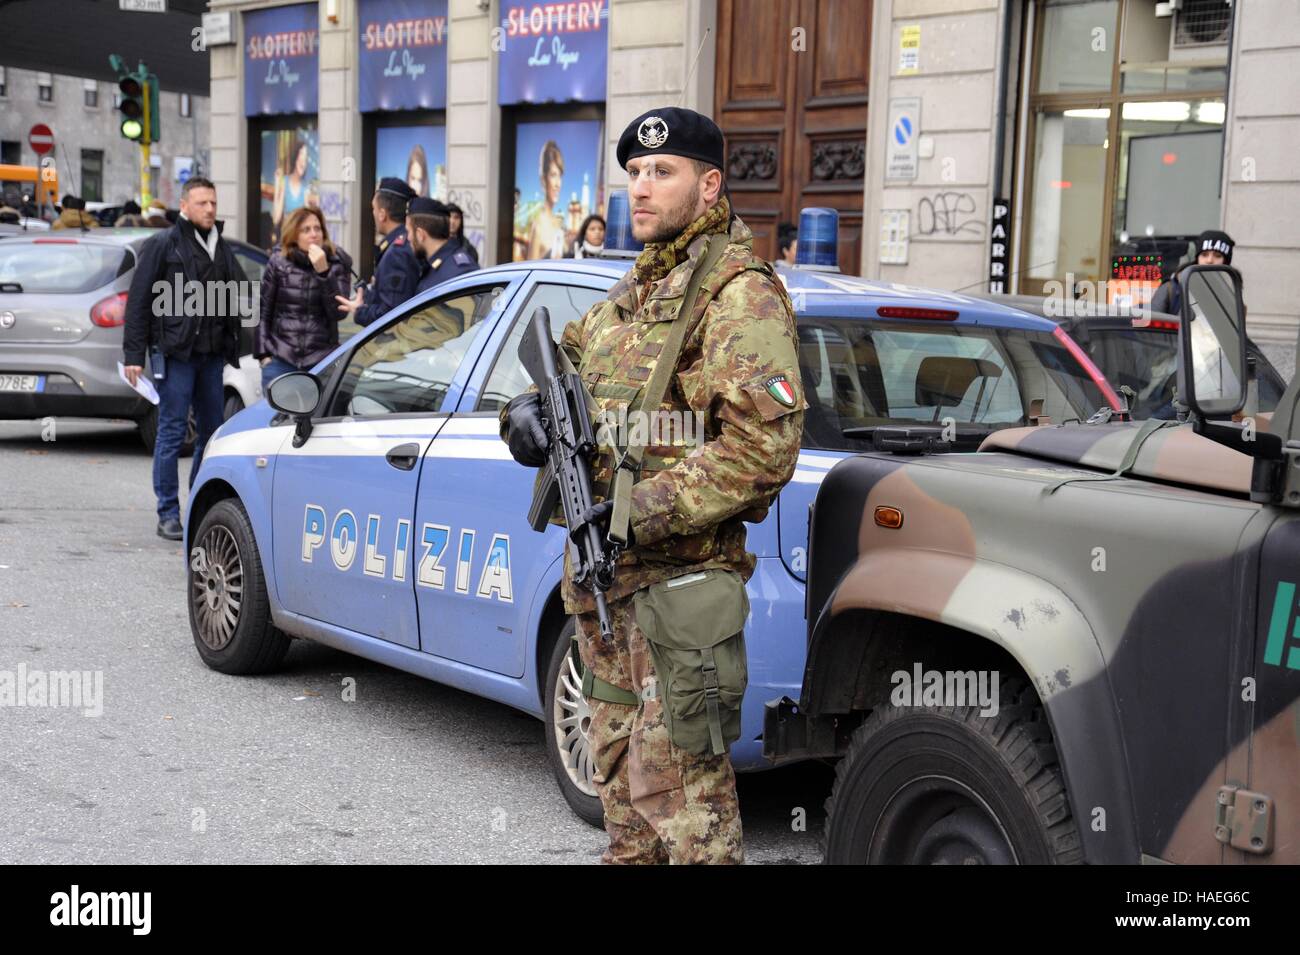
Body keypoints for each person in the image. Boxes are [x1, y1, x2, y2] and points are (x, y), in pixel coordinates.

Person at [500, 107, 806, 864]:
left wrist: (638, 513)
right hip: (604, 598)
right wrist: (523, 414)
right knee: (622, 805)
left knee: (686, 814)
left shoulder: (739, 294)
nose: (640, 187)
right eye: (634, 172)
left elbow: (764, 447)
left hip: (680, 597)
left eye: (660, 173)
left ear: (709, 186)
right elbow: (556, 372)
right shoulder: (626, 298)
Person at [121, 177, 248, 541]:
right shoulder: (163, 244)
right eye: (202, 203)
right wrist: (134, 355)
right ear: (185, 205)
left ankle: (197, 505)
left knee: (211, 435)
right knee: (172, 432)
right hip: (175, 355)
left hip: (210, 358)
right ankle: (167, 513)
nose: (210, 209)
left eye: (213, 202)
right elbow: (139, 302)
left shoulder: (218, 246)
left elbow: (237, 294)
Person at [255, 206, 353, 392]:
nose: (314, 234)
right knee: (276, 419)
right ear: (294, 234)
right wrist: (263, 356)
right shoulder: (278, 262)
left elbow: (337, 313)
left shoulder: (336, 263)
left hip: (321, 360)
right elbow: (263, 311)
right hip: (281, 358)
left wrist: (324, 272)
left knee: (318, 420)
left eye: (318, 228)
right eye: (306, 230)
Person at [335, 177, 419, 327]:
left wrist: (359, 311)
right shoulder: (399, 244)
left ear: (382, 213)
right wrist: (368, 295)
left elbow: (392, 316)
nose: (372, 213)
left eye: (373, 208)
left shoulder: (397, 252)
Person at [1150, 229, 1236, 316]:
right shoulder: (1173, 288)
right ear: (1197, 258)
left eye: (1217, 256)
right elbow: (1152, 322)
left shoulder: (1232, 291)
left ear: (1226, 262)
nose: (1209, 260)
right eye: (1204, 254)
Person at [407, 196, 478, 293]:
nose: (408, 237)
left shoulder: (458, 272)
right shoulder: (435, 265)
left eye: (409, 231)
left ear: (420, 234)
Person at [525, 140, 567, 260]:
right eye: (553, 175)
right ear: (543, 180)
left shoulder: (558, 223)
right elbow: (530, 269)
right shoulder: (538, 225)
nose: (557, 184)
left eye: (560, 176)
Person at [272, 138, 310, 241]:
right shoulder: (284, 182)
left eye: (305, 158)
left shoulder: (305, 188)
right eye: (301, 155)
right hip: (287, 241)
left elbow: (308, 221)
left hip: (301, 242)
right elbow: (276, 218)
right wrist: (277, 186)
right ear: (295, 157)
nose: (303, 161)